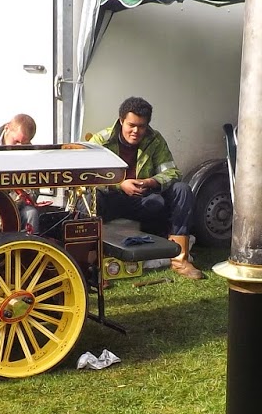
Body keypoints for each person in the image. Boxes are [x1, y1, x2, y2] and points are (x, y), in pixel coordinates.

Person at [87, 96, 204, 280]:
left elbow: (172, 172)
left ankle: (180, 259)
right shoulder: (101, 140)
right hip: (111, 199)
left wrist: (151, 182)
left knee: (182, 189)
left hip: (144, 200)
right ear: (121, 121)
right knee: (89, 200)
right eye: (131, 125)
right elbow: (86, 174)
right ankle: (93, 265)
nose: (136, 131)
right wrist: (120, 183)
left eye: (141, 126)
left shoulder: (155, 140)